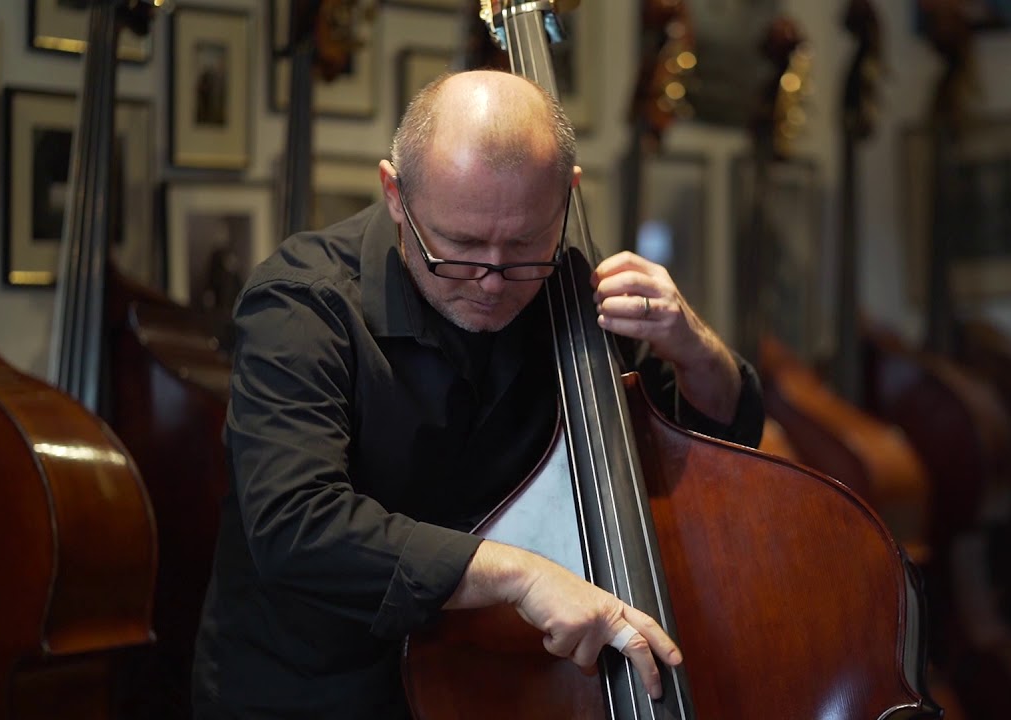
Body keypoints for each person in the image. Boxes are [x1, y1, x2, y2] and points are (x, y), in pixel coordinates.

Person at [192, 69, 764, 719]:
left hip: (496, 689)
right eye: (460, 247)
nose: (493, 280)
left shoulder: (570, 290)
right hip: (312, 693)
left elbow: (716, 454)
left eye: (523, 245)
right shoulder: (302, 304)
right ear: (395, 195)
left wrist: (693, 346)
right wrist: (519, 574)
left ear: (567, 200)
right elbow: (295, 524)